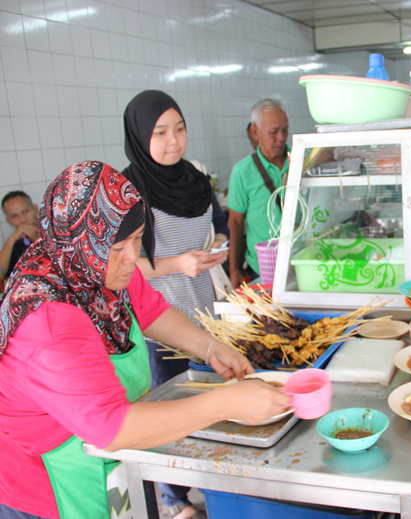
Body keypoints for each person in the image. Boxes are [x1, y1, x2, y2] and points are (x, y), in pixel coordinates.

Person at [0, 161, 288, 519]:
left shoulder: (94, 261)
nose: (133, 257)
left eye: (137, 240)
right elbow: (112, 427)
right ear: (82, 241)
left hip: (108, 459)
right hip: (50, 484)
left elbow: (149, 309)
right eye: (120, 246)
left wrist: (212, 347)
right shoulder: (47, 321)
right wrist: (226, 404)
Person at [122, 90, 229, 519]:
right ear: (140, 136)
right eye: (161, 132)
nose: (174, 141)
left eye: (179, 129)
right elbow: (128, 266)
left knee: (201, 399)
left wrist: (217, 247)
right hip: (156, 321)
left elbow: (218, 224)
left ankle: (203, 481)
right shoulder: (130, 188)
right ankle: (173, 498)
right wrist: (177, 263)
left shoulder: (195, 177)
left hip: (202, 309)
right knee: (167, 407)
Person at [228, 99, 289, 287]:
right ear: (255, 132)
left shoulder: (299, 161)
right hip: (263, 268)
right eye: (274, 132)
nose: (281, 137)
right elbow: (236, 223)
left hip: (298, 260)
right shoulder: (242, 171)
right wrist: (234, 270)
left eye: (285, 130)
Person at [0, 191, 40, 279]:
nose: (22, 220)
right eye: (14, 216)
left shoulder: (57, 230)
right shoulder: (15, 246)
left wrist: (39, 240)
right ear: (9, 221)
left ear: (35, 209)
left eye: (25, 211)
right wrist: (11, 239)